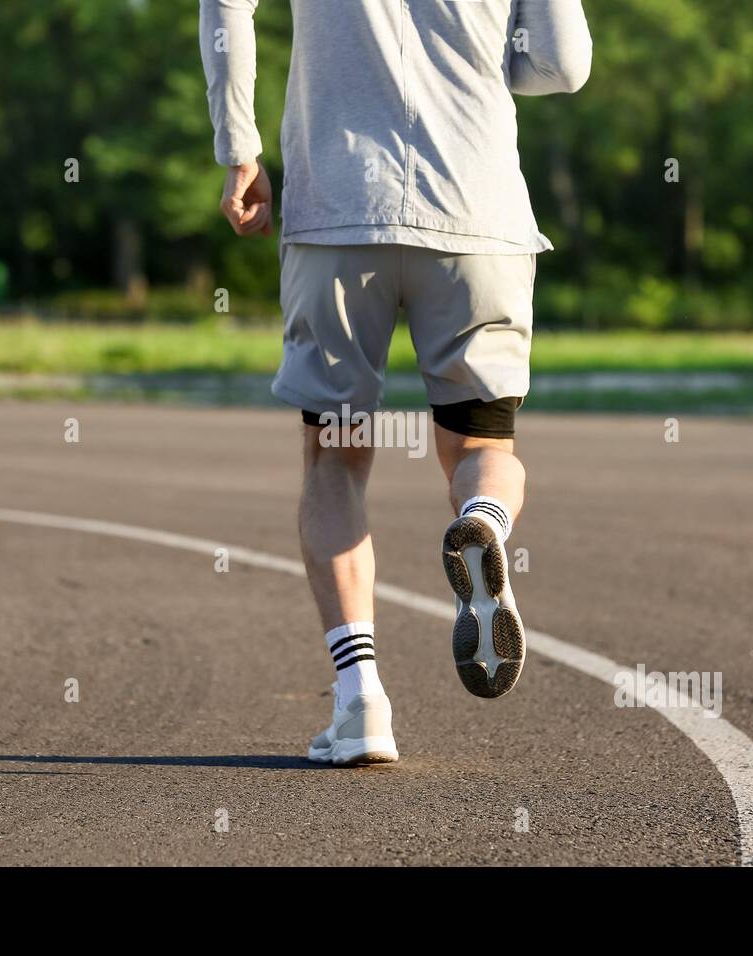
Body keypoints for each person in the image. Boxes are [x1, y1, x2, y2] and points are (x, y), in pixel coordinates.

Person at [199, 0, 592, 766]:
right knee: (481, 441)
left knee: (335, 460)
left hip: (341, 213)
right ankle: (483, 521)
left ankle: (361, 705)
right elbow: (563, 65)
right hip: (478, 216)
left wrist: (239, 148)